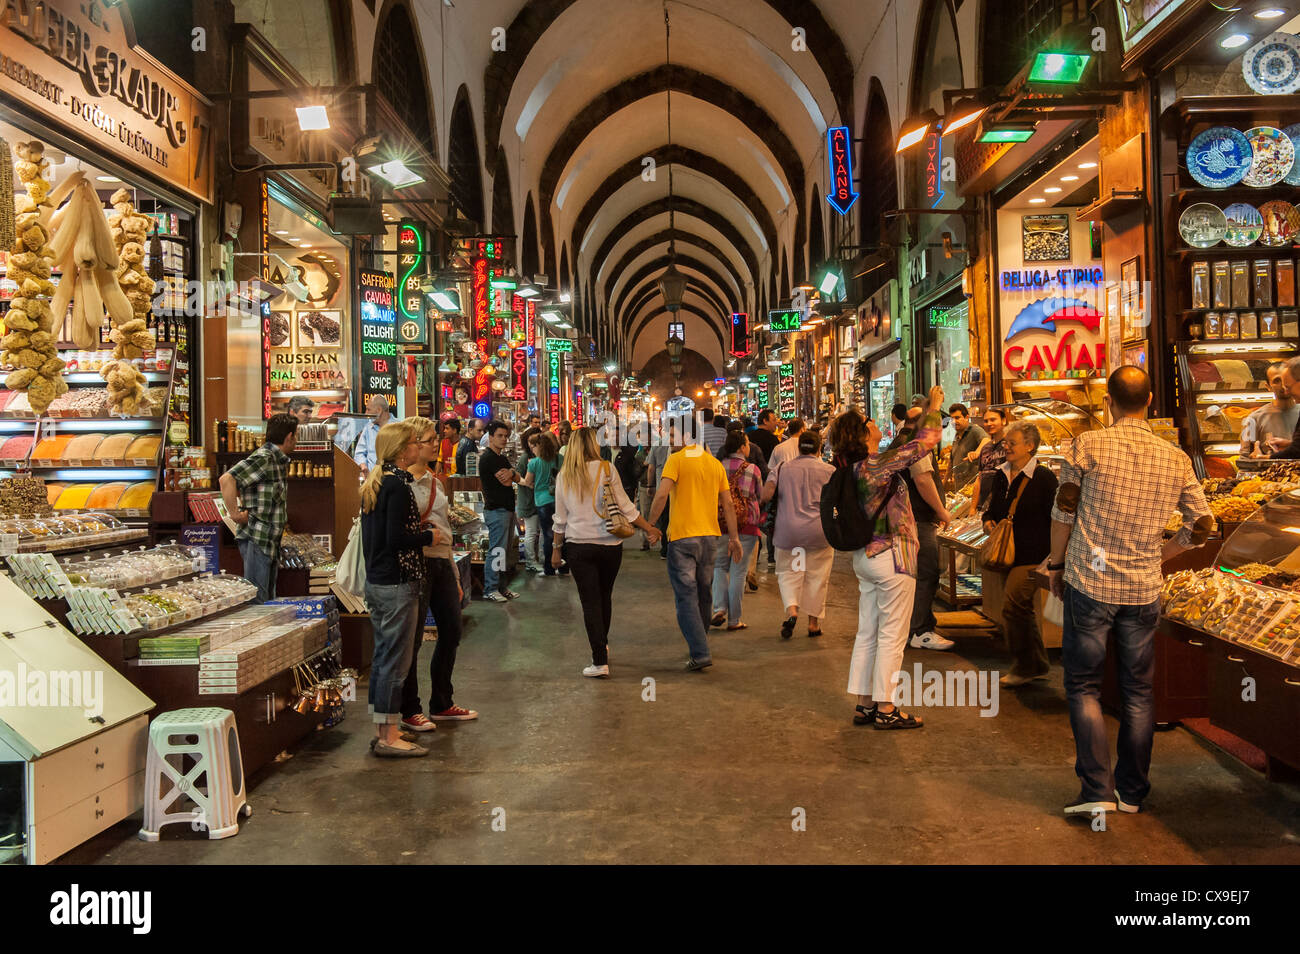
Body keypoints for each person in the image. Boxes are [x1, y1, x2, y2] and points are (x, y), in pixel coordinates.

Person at [1047, 366, 1212, 815]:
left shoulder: (1087, 445)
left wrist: (1056, 566)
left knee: (1084, 686)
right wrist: (1162, 557)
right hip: (1142, 589)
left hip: (1090, 581)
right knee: (1139, 691)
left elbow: (1063, 514)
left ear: (1108, 401)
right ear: (1151, 399)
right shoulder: (1174, 457)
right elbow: (1203, 525)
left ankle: (1096, 792)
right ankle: (1132, 793)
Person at [847, 386, 945, 730]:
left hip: (866, 558)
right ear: (863, 435)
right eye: (869, 422)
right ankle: (886, 707)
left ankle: (865, 704)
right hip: (892, 558)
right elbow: (924, 443)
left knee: (868, 633)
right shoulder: (879, 465)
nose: (875, 423)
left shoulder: (857, 467)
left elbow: (908, 444)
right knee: (891, 635)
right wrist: (934, 407)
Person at [553, 427, 661, 677]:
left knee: (590, 602)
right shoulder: (606, 468)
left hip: (579, 546)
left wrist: (556, 550)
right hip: (610, 545)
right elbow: (626, 507)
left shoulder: (564, 475)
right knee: (604, 597)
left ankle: (599, 660)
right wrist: (649, 528)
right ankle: (603, 645)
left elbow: (560, 518)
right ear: (593, 444)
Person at [359, 419, 434, 757]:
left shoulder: (378, 483)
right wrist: (430, 535)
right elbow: (397, 539)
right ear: (404, 451)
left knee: (384, 659)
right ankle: (389, 736)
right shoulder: (396, 486)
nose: (419, 447)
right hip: (397, 583)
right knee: (395, 663)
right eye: (415, 442)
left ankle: (384, 728)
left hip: (378, 582)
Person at [648, 415, 742, 671]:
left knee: (686, 598)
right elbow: (729, 504)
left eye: (671, 435)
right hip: (709, 540)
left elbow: (661, 494)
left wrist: (650, 525)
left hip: (682, 539)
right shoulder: (714, 464)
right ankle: (701, 644)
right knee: (703, 594)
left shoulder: (676, 460)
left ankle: (700, 652)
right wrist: (733, 538)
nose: (669, 441)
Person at [401, 417, 476, 728]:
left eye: (436, 437)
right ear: (413, 445)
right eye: (430, 439)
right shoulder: (400, 482)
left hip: (442, 563)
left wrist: (456, 577)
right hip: (416, 565)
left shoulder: (436, 482)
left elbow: (445, 529)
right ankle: (409, 709)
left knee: (452, 631)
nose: (437, 442)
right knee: (413, 640)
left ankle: (442, 702)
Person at [982, 421, 1058, 687]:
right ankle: (1035, 663)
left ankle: (1025, 666)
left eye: (1012, 443)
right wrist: (988, 519)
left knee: (1013, 605)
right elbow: (992, 508)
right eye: (1006, 442)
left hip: (1035, 556)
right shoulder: (1001, 474)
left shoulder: (1044, 478)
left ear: (1030, 446)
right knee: (1020, 609)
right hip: (1008, 554)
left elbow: (1058, 517)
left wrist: (1056, 555)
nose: (1007, 447)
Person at [760, 430, 835, 638]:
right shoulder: (829, 470)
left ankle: (792, 611)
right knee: (817, 577)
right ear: (819, 447)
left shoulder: (782, 468)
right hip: (819, 532)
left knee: (789, 573)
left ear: (798, 447)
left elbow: (765, 495)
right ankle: (813, 624)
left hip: (788, 532)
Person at [218, 413, 296, 604]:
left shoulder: (277, 460)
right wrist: (234, 514)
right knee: (257, 601)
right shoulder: (264, 458)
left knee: (267, 601)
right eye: (296, 436)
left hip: (268, 539)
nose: (296, 441)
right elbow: (226, 479)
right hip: (257, 538)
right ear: (289, 437)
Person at [899, 404, 955, 652]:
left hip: (911, 520)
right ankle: (920, 631)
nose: (941, 433)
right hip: (919, 521)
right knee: (926, 573)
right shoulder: (918, 448)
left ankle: (916, 626)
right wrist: (942, 511)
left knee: (919, 575)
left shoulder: (906, 443)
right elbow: (922, 480)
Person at [710, 430, 764, 630]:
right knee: (739, 571)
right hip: (747, 524)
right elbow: (759, 495)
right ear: (742, 447)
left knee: (719, 567)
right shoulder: (752, 469)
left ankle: (719, 609)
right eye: (747, 443)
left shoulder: (717, 467)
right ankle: (734, 620)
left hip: (720, 523)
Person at [479, 420, 521, 602]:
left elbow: (517, 477)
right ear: (490, 437)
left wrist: (512, 473)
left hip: (507, 509)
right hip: (497, 510)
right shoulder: (488, 458)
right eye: (499, 436)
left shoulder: (502, 458)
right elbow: (508, 480)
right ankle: (490, 588)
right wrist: (512, 474)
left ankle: (501, 587)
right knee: (497, 551)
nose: (504, 439)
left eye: (506, 436)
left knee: (503, 551)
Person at [525, 431, 563, 575]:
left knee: (548, 535)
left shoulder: (534, 462)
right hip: (560, 500)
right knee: (561, 533)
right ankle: (564, 567)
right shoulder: (560, 458)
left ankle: (549, 569)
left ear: (538, 447)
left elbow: (528, 482)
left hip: (543, 501)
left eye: (533, 447)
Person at [1241, 361, 1297, 457]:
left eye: (1286, 379)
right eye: (1277, 381)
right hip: (1268, 471)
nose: (1283, 385)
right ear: (1268, 387)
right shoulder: (1254, 419)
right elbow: (1244, 457)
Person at [645, 424, 675, 558]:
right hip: (676, 489)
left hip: (661, 486)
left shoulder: (657, 444)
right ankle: (673, 546)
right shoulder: (681, 446)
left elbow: (651, 468)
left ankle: (665, 550)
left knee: (664, 520)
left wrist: (650, 485)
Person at [516, 426, 542, 572]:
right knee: (531, 532)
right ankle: (530, 561)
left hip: (538, 500)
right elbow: (517, 476)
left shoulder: (539, 457)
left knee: (539, 531)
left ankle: (538, 558)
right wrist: (527, 483)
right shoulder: (525, 458)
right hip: (528, 500)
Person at [975, 407, 1009, 512]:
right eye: (986, 421)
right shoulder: (985, 448)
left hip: (1004, 505)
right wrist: (973, 508)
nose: (989, 423)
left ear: (1003, 420)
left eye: (993, 419)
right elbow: (979, 478)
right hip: (984, 507)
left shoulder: (1010, 445)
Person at [947, 403, 987, 490]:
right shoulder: (956, 436)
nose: (954, 421)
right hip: (959, 488)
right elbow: (952, 459)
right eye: (952, 418)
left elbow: (986, 440)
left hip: (973, 488)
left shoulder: (974, 430)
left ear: (967, 417)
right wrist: (945, 479)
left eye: (957, 418)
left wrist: (977, 452)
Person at [355, 394, 392, 475]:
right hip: (371, 481)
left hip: (393, 480)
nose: (366, 413)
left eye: (368, 409)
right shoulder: (368, 428)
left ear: (379, 410)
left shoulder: (399, 427)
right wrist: (364, 466)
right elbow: (359, 453)